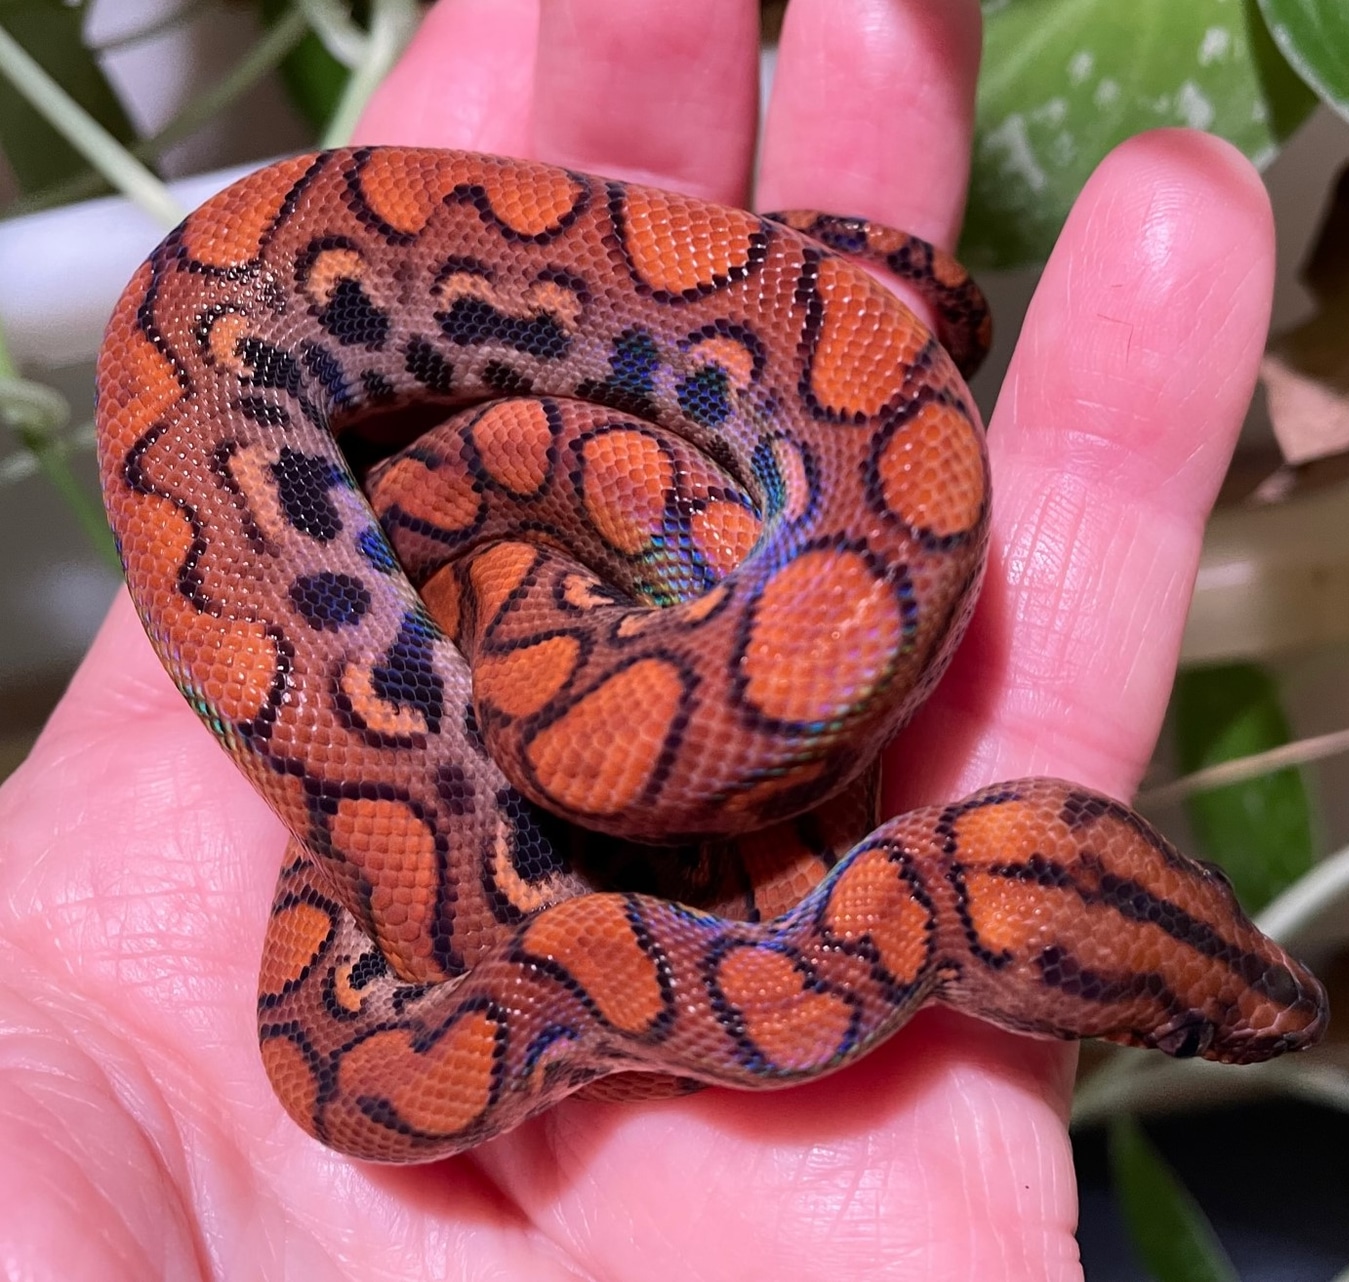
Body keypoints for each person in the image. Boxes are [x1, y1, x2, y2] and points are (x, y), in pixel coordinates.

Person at [0, 1, 1276, 1276]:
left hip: (262, 378)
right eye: (1170, 1026)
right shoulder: (781, 985)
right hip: (242, 332)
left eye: (1182, 1025)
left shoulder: (752, 971)